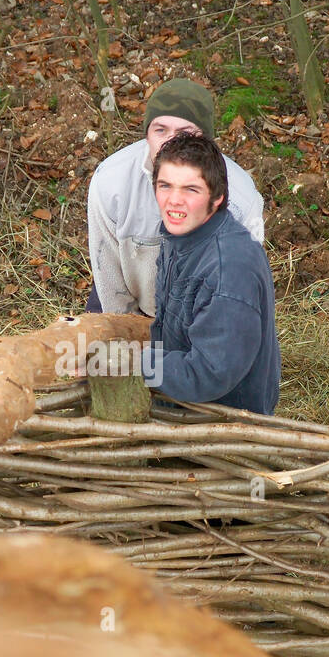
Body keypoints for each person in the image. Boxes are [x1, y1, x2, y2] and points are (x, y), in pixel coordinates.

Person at [85, 78, 264, 316]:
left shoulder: (241, 199)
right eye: (161, 130)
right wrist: (123, 337)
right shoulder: (111, 183)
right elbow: (107, 272)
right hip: (129, 302)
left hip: (202, 315)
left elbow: (240, 289)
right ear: (147, 134)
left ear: (207, 141)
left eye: (185, 133)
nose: (170, 142)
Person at [137, 132, 280, 415]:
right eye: (165, 185)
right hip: (180, 405)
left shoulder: (230, 268)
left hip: (221, 426)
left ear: (217, 198)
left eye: (191, 190)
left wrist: (130, 365)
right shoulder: (180, 235)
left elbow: (210, 373)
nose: (173, 200)